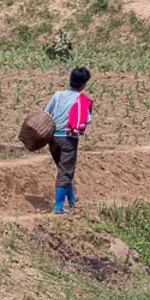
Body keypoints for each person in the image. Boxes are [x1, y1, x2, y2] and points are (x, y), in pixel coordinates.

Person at [44, 67, 93, 215]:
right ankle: (58, 207)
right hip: (68, 139)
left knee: (63, 168)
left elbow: (47, 112)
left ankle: (71, 198)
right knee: (65, 172)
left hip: (52, 138)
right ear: (83, 85)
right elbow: (87, 120)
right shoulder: (82, 100)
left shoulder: (57, 95)